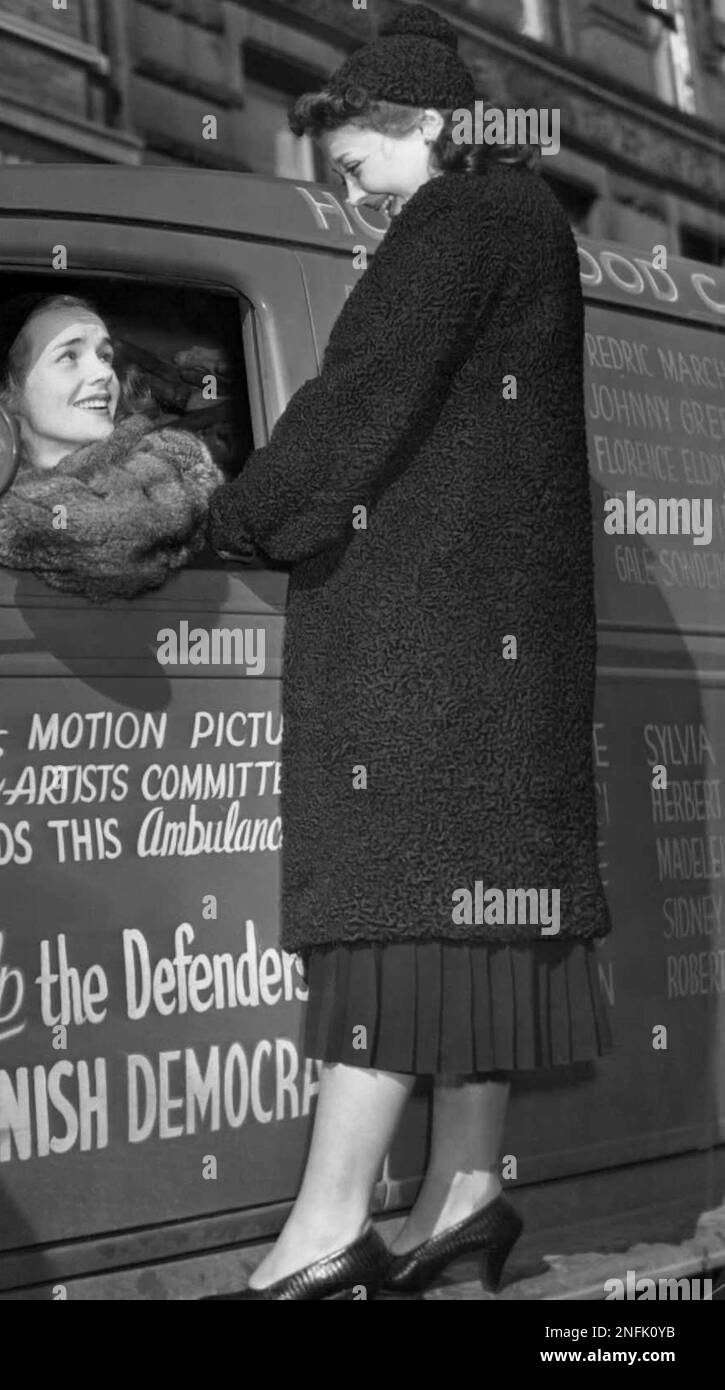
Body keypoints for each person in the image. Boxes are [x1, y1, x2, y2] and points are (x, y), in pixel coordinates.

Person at [201, 2, 613, 1300]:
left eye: (361, 160)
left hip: (431, 657)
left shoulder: (460, 220)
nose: (354, 188)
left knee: (402, 925)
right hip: (501, 665)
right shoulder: (531, 221)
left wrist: (235, 513)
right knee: (473, 934)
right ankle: (468, 1192)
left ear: (427, 129)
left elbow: (362, 395)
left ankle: (327, 1229)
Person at [0, 293, 224, 600]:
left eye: (105, 357)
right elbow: (115, 545)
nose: (104, 373)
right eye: (69, 357)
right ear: (9, 391)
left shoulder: (175, 466)